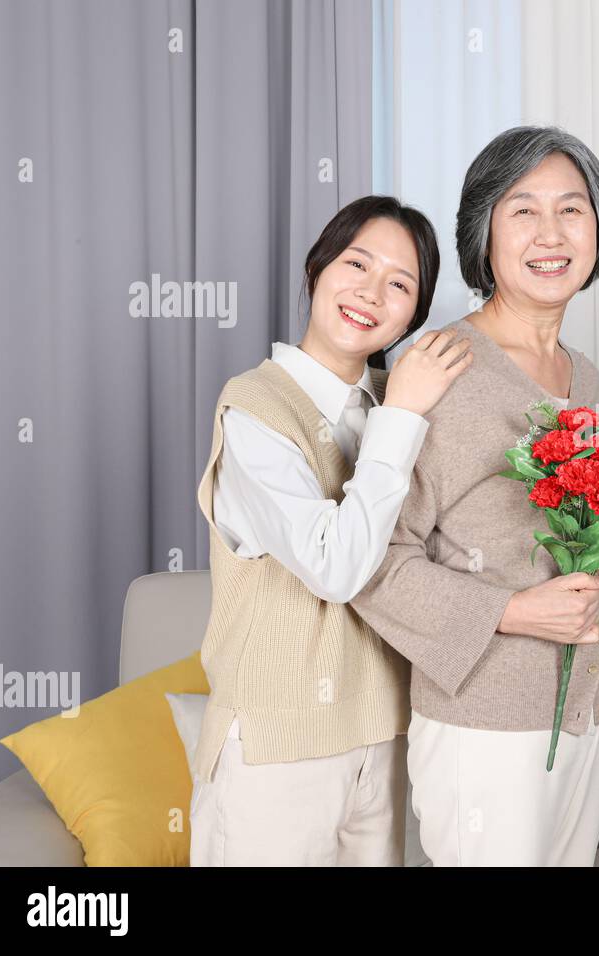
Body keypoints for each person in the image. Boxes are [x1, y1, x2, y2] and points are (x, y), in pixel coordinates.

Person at [350, 127, 599, 866]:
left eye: (572, 210)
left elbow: (598, 538)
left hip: (589, 711)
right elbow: (369, 560)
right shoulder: (439, 367)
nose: (551, 234)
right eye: (523, 211)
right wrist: (509, 611)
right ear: (484, 232)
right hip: (485, 725)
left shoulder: (587, 376)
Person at [189, 195, 474, 865]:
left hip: (388, 739)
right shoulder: (255, 408)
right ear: (318, 269)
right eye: (357, 264)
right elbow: (335, 567)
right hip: (277, 754)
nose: (372, 293)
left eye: (400, 284)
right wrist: (401, 415)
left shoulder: (397, 397)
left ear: (415, 313)